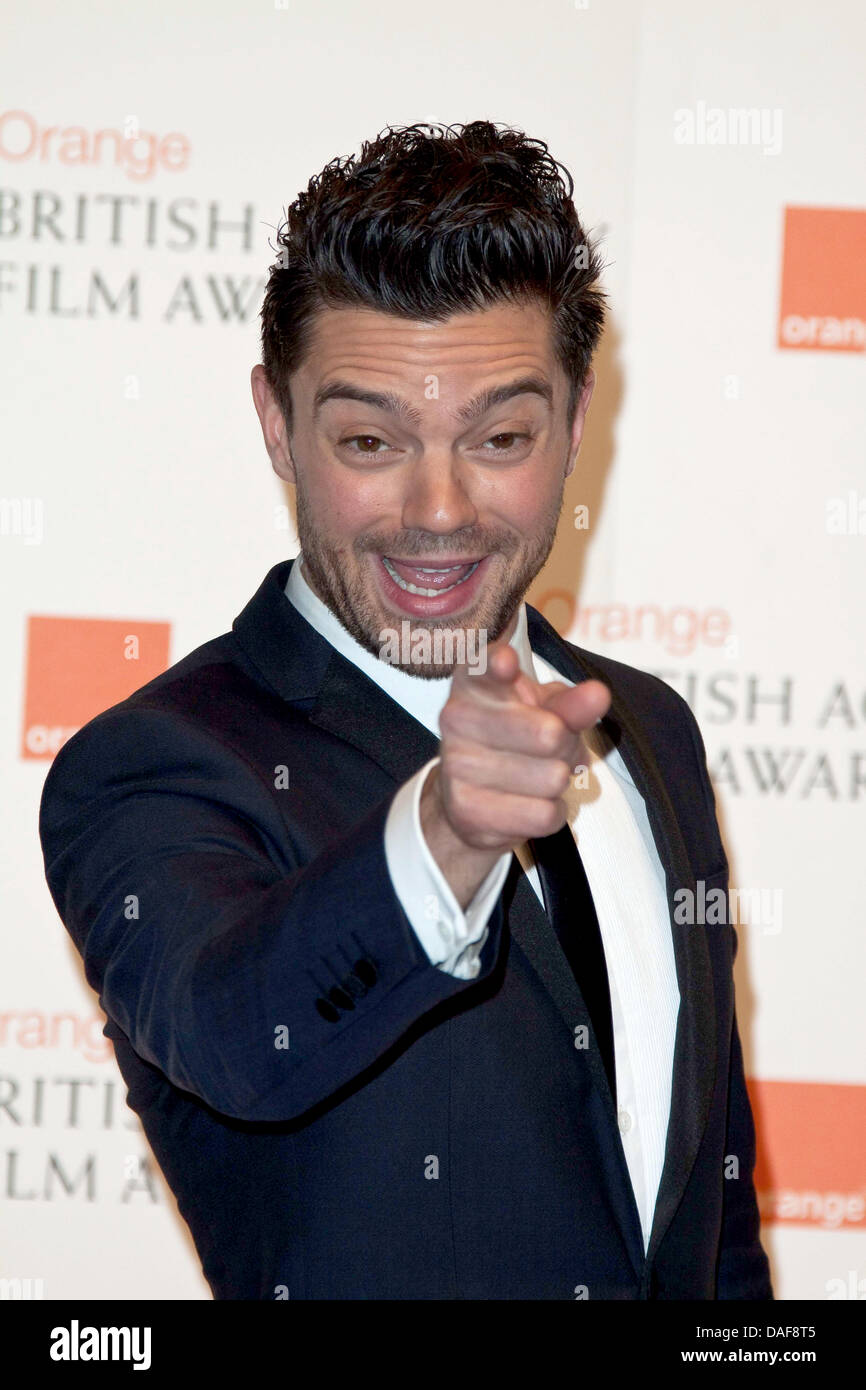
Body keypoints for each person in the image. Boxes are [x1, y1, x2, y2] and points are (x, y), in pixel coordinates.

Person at [39, 121, 772, 1300]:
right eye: (370, 440)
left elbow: (712, 1225)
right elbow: (234, 1037)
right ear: (277, 425)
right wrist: (442, 834)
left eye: (500, 436)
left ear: (575, 421)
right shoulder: (154, 764)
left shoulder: (647, 731)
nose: (437, 508)